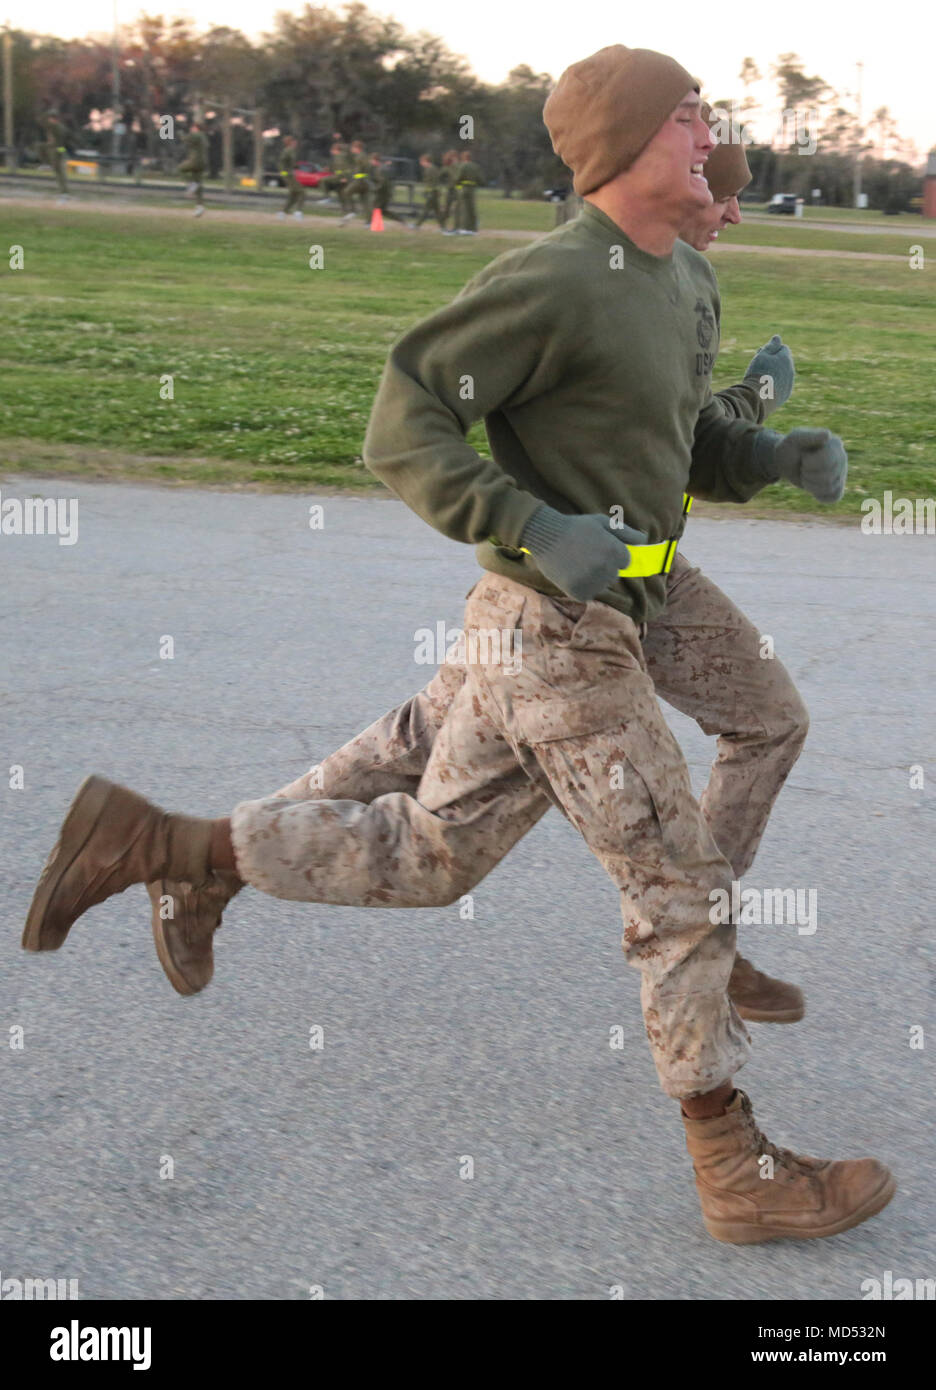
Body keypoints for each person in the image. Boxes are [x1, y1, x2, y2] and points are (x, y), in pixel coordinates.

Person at [24, 46, 893, 1246]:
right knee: (643, 884)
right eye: (690, 116)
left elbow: (682, 436)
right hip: (557, 621)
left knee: (481, 800)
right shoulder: (555, 279)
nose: (713, 138)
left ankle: (184, 849)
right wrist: (528, 523)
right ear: (628, 140)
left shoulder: (681, 278)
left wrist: (769, 454)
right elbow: (406, 417)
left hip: (646, 588)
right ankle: (732, 1167)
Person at [367, 154, 412, 226]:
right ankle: (402, 221)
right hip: (382, 193)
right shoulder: (378, 168)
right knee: (383, 211)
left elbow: (383, 182)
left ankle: (370, 223)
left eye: (371, 160)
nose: (370, 162)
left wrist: (375, 189)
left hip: (383, 193)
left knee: (375, 207)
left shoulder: (380, 169)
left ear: (375, 160)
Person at [179, 121, 208, 217]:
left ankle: (191, 184)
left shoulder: (197, 135)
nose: (191, 129)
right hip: (203, 162)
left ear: (196, 128)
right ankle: (200, 207)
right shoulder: (203, 136)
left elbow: (185, 139)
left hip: (195, 161)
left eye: (192, 127)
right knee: (198, 184)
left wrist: (180, 133)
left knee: (181, 168)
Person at [453, 148, 484, 234]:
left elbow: (458, 178)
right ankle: (474, 229)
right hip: (472, 189)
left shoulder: (463, 166)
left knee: (464, 209)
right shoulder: (476, 166)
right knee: (472, 208)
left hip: (464, 188)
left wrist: (458, 186)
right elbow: (481, 179)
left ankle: (464, 228)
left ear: (464, 158)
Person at [277, 135, 305, 220]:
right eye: (294, 141)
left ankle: (283, 212)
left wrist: (284, 172)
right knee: (301, 191)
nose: (296, 143)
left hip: (287, 174)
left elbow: (282, 162)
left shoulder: (286, 150)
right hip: (288, 175)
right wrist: (296, 166)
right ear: (291, 142)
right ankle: (298, 212)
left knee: (293, 194)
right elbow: (291, 162)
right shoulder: (290, 150)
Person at [414, 154, 445, 230]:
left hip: (432, 193)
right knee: (437, 211)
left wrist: (430, 192)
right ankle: (443, 226)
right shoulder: (431, 168)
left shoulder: (431, 169)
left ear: (425, 161)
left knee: (426, 209)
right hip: (433, 192)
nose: (421, 164)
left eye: (421, 162)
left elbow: (434, 182)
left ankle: (417, 225)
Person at [44, 112, 69, 203]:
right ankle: (63, 192)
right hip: (56, 150)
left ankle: (64, 193)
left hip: (58, 151)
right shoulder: (55, 128)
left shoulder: (59, 128)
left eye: (50, 119)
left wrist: (60, 152)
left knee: (60, 173)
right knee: (59, 173)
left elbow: (61, 143)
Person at [323, 133, 350, 213]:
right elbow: (335, 167)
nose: (331, 152)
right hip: (339, 176)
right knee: (340, 192)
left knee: (323, 180)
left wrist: (339, 139)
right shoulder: (336, 157)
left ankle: (327, 198)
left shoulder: (342, 155)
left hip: (343, 177)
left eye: (332, 150)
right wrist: (329, 169)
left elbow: (344, 147)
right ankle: (345, 209)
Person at [345, 139, 370, 221]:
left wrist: (359, 179)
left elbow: (366, 169)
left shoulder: (362, 156)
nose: (351, 149)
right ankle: (369, 221)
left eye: (353, 148)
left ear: (357, 148)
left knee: (347, 191)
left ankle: (352, 211)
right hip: (361, 180)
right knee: (364, 201)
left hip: (361, 181)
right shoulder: (359, 156)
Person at [439, 150, 459, 234]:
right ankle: (443, 226)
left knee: (458, 209)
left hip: (456, 190)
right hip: (451, 190)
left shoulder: (458, 166)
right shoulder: (448, 167)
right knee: (447, 209)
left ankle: (456, 227)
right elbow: (440, 175)